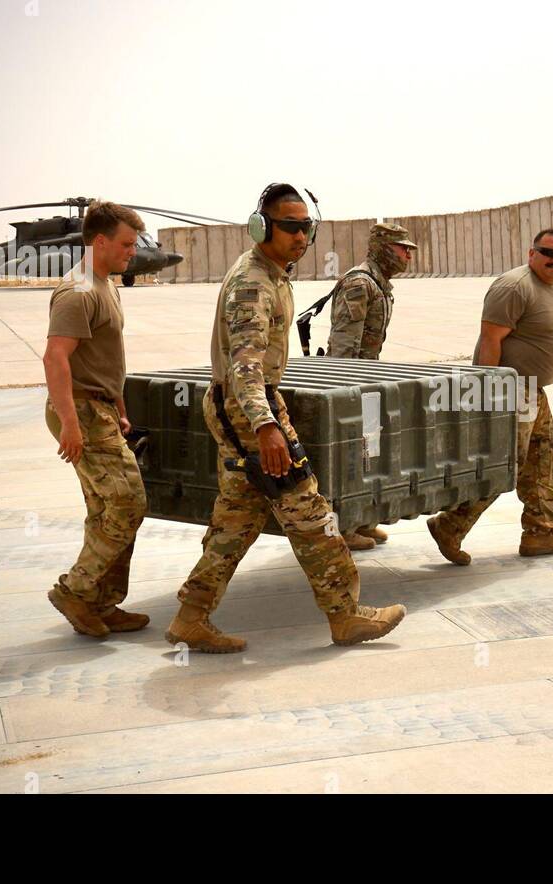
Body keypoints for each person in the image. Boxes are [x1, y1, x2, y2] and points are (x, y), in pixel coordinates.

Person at [166, 183, 406, 652]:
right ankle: (345, 615)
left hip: (245, 406)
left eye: (307, 227)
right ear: (262, 227)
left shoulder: (274, 274)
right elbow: (245, 362)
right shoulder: (254, 282)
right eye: (291, 226)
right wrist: (266, 426)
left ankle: (190, 618)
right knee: (311, 513)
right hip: (249, 409)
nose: (301, 236)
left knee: (237, 517)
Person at [426, 228, 553, 564]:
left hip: (533, 393)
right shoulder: (514, 287)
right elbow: (490, 340)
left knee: (546, 463)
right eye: (548, 252)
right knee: (503, 463)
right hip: (509, 390)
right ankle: (449, 526)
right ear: (531, 254)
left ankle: (542, 533)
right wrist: (487, 391)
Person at [42, 201, 150, 637]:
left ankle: (103, 603)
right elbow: (55, 358)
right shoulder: (79, 292)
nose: (132, 251)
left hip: (100, 408)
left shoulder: (106, 285)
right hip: (81, 410)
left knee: (105, 508)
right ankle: (77, 590)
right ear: (100, 241)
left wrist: (120, 411)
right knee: (128, 502)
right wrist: (70, 423)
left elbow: (106, 358)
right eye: (126, 244)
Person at [325, 222, 417, 550]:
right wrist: (344, 396)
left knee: (370, 455)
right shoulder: (360, 283)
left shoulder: (380, 284)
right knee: (351, 457)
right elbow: (343, 345)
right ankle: (344, 526)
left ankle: (363, 519)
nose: (408, 254)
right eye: (401, 248)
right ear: (381, 248)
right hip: (352, 385)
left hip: (368, 382)